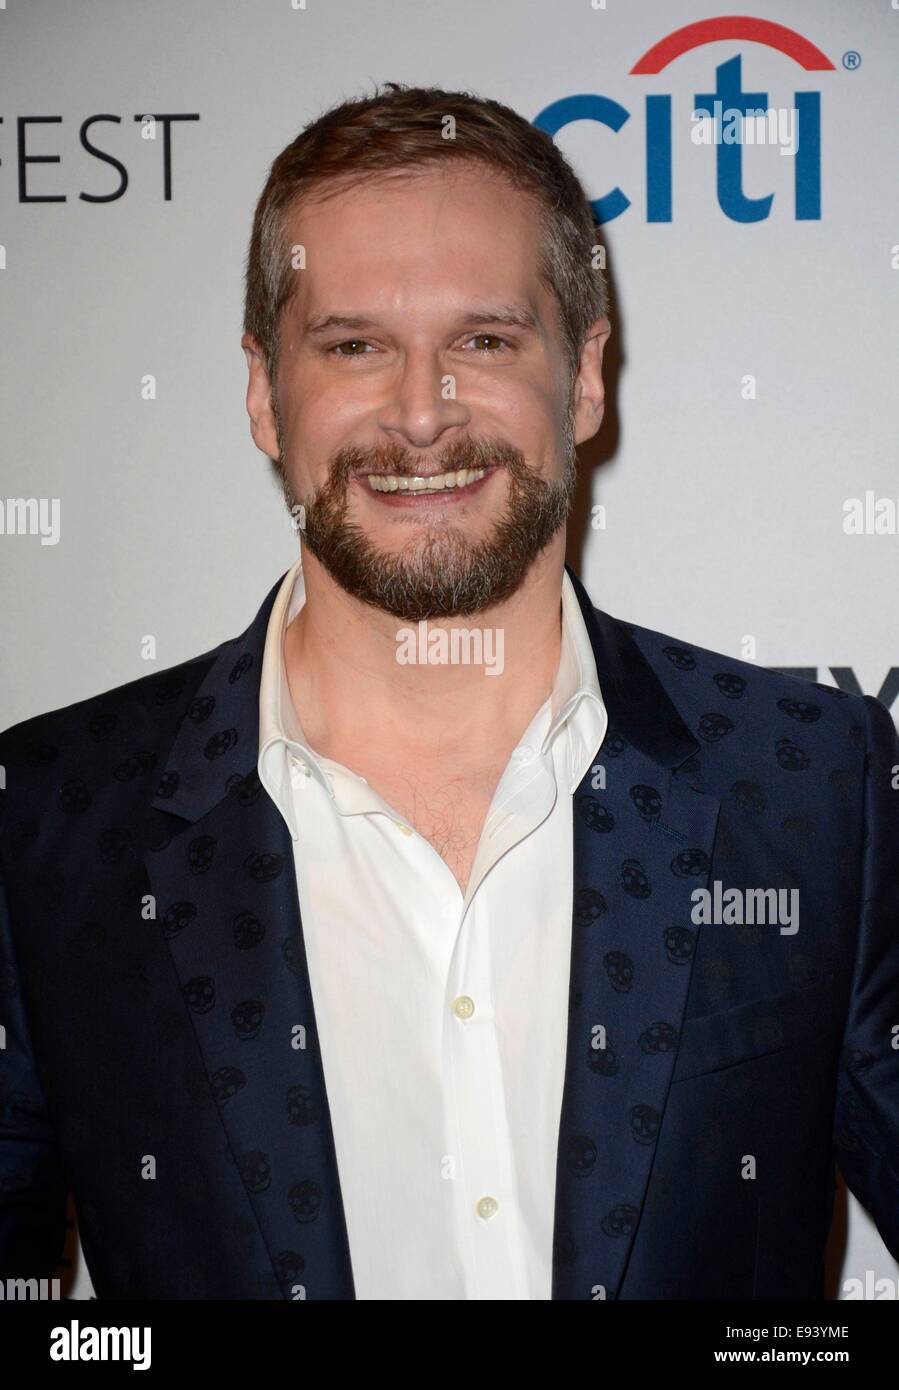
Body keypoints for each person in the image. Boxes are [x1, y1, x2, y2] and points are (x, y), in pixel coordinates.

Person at [0, 82, 896, 1301]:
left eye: (483, 341)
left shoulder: (809, 787)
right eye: (354, 345)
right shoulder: (54, 818)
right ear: (263, 391)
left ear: (584, 376)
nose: (422, 415)